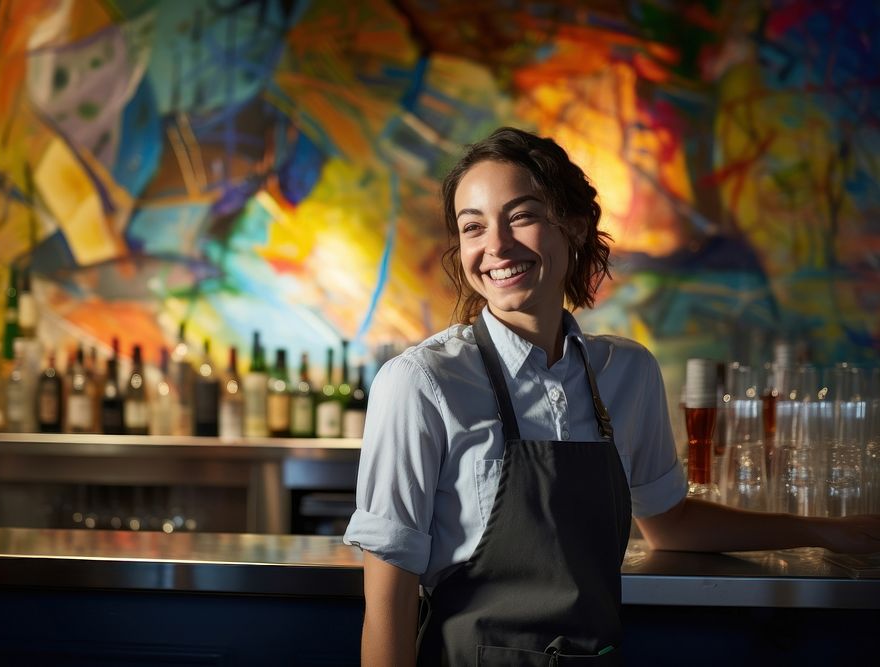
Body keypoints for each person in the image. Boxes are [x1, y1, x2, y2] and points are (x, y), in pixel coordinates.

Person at [343, 127, 880, 666]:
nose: (496, 246)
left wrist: (828, 531)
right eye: (473, 227)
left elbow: (669, 523)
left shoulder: (627, 372)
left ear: (575, 225)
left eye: (522, 216)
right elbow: (389, 601)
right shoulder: (422, 382)